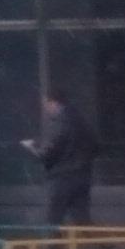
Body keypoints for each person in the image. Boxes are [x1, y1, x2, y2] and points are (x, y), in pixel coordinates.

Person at [37, 88, 99, 229]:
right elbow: (95, 145)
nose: (45, 109)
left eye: (46, 104)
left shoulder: (60, 123)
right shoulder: (80, 119)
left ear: (54, 103)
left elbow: (49, 152)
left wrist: (34, 150)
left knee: (52, 220)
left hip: (62, 177)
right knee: (82, 219)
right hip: (82, 175)